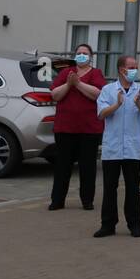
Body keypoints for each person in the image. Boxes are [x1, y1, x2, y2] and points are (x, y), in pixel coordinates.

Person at [94, 56, 140, 238]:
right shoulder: (108, 90)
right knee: (110, 188)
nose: (134, 69)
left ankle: (135, 224)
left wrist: (138, 102)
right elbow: (101, 114)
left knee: (132, 188)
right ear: (121, 69)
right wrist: (117, 104)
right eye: (131, 67)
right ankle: (108, 225)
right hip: (112, 147)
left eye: (136, 66)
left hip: (132, 148)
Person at [47, 43, 104, 211]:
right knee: (62, 166)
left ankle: (87, 200)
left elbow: (97, 94)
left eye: (85, 53)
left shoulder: (96, 73)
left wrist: (78, 84)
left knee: (87, 167)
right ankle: (57, 200)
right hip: (65, 128)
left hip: (89, 129)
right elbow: (55, 94)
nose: (81, 55)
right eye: (78, 53)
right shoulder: (66, 73)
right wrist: (69, 84)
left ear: (91, 56)